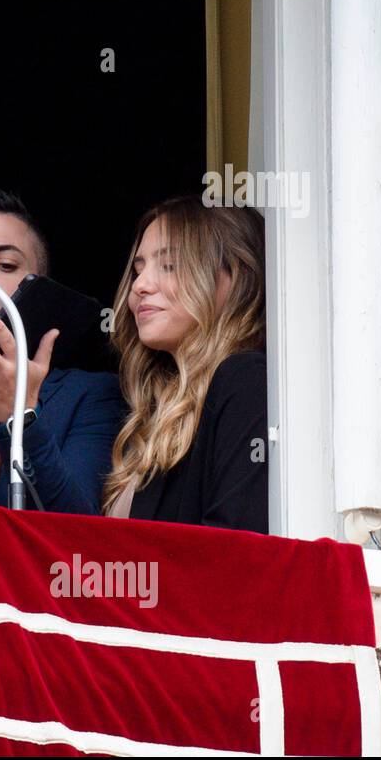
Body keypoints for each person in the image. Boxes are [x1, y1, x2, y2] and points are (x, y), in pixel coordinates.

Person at [0, 180, 126, 513]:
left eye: (5, 266)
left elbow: (77, 531)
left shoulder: (91, 395)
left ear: (43, 291)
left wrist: (17, 416)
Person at [102, 196, 268, 534]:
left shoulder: (247, 380)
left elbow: (232, 551)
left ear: (233, 277)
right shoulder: (157, 413)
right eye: (138, 269)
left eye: (169, 266)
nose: (140, 285)